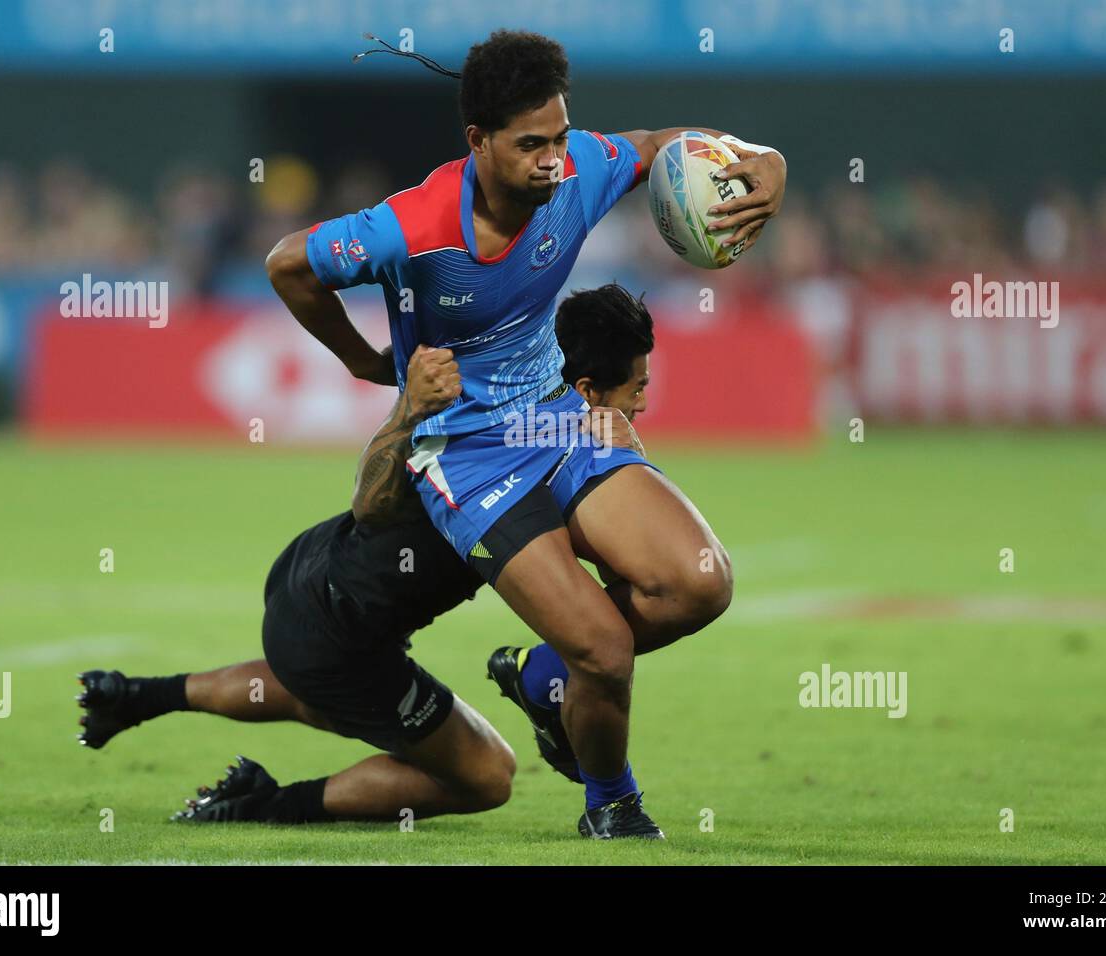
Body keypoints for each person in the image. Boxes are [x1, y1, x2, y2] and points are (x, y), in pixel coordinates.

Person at [266, 29, 785, 838]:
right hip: (467, 457)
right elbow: (289, 262)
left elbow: (657, 146)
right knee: (606, 652)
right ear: (478, 142)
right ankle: (611, 803)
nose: (553, 160)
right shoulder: (413, 226)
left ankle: (546, 676)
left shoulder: (579, 167)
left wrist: (767, 160)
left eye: (560, 137)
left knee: (699, 583)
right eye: (531, 144)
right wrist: (369, 363)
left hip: (557, 415)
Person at [76, 285, 653, 832]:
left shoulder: (533, 430)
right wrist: (408, 408)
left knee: (315, 695)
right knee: (486, 777)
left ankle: (135, 696)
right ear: (584, 388)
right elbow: (371, 503)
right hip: (336, 626)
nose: (644, 403)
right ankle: (262, 803)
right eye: (635, 390)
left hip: (320, 588)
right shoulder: (488, 437)